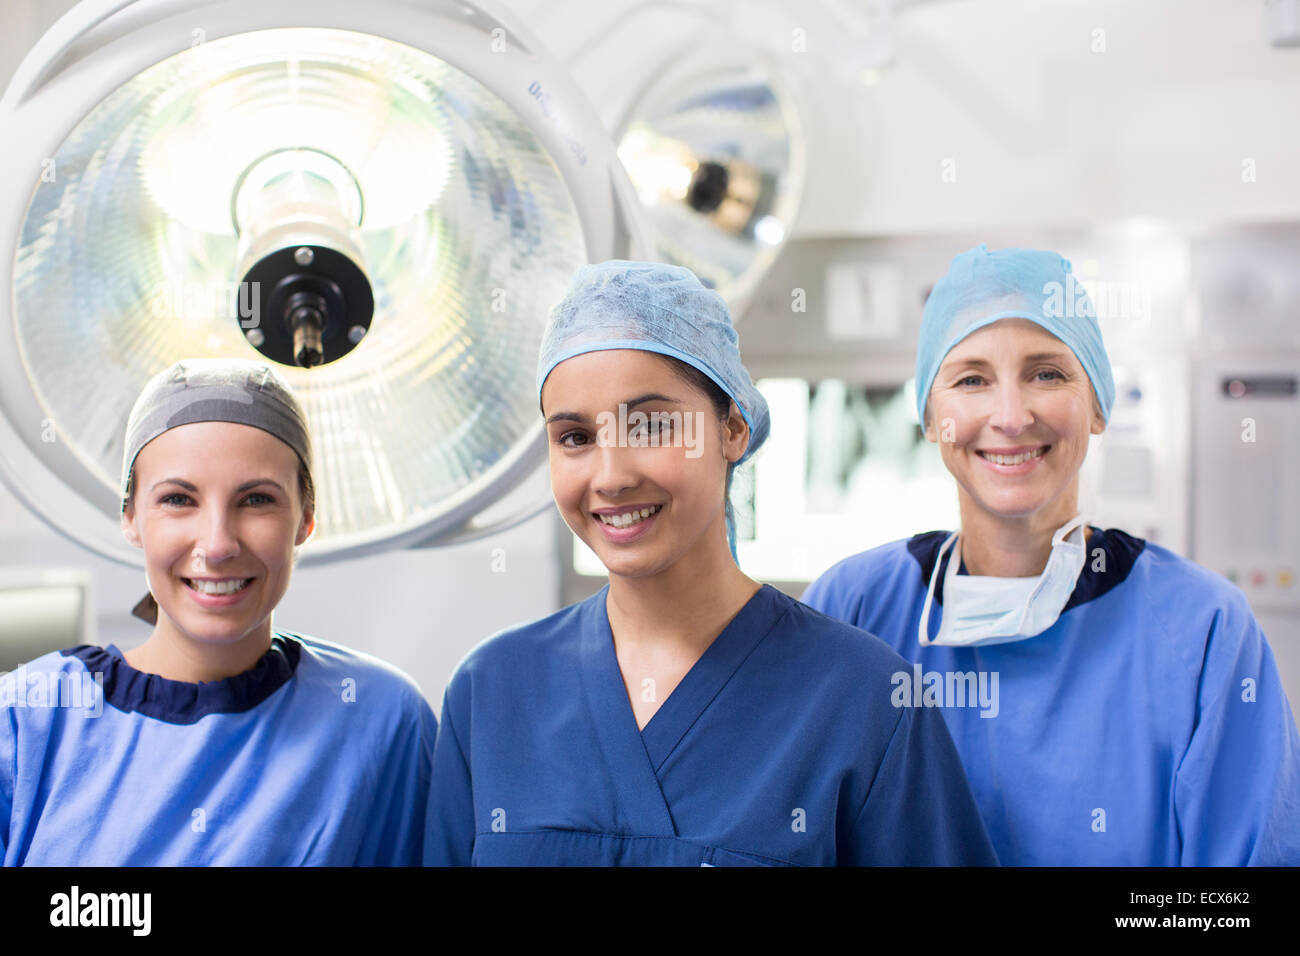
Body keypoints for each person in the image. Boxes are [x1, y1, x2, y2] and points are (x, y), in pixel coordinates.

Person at [424, 260, 997, 866]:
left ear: (732, 428)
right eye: (575, 437)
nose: (612, 475)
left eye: (649, 426)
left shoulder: (864, 701)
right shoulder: (493, 691)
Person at [803, 243, 1300, 865]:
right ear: (931, 416)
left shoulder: (1202, 630)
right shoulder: (853, 608)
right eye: (971, 379)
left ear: (1097, 405)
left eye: (1048, 373)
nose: (1011, 416)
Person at [0, 358, 435, 865]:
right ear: (130, 517)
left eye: (256, 500)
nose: (218, 543)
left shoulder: (380, 718)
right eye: (179, 499)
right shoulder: (30, 717)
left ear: (306, 521)